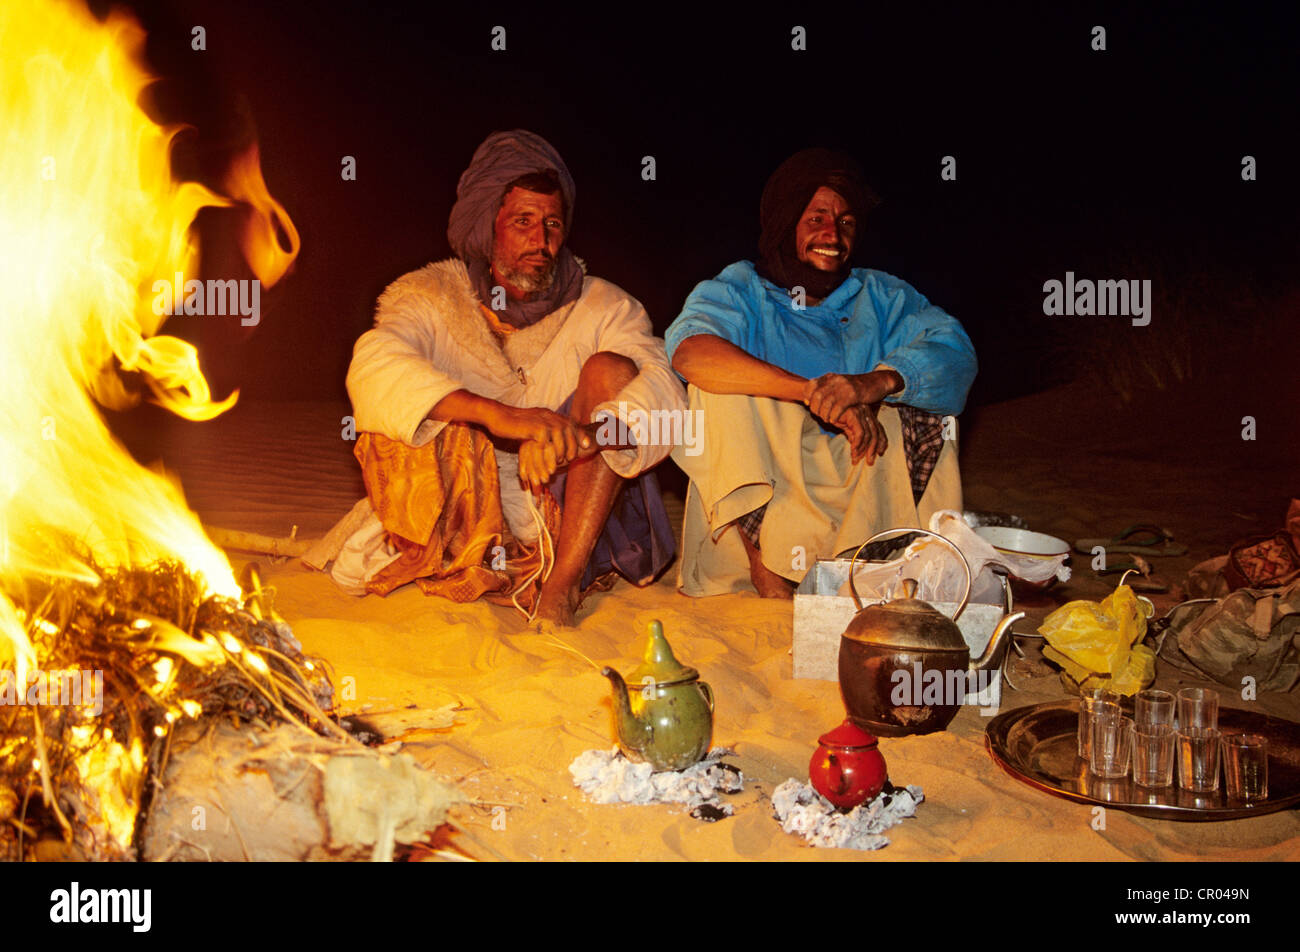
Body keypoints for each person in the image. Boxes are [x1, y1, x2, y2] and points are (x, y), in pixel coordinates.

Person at [328, 130, 684, 626]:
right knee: (412, 404)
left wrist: (577, 439)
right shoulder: (429, 296)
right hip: (468, 517)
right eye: (523, 221)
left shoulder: (605, 305)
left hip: (568, 513)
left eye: (552, 224)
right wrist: (502, 416)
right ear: (487, 226)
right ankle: (471, 563)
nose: (541, 241)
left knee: (613, 371)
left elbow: (666, 396)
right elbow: (375, 363)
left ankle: (562, 584)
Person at [664, 148, 977, 598]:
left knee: (930, 403)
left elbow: (956, 352)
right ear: (785, 221)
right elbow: (691, 353)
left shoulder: (882, 295)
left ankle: (872, 565)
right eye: (816, 219)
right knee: (719, 390)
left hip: (862, 470)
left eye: (846, 222)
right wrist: (811, 392)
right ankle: (767, 569)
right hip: (772, 484)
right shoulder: (741, 289)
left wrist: (872, 385)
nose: (833, 234)